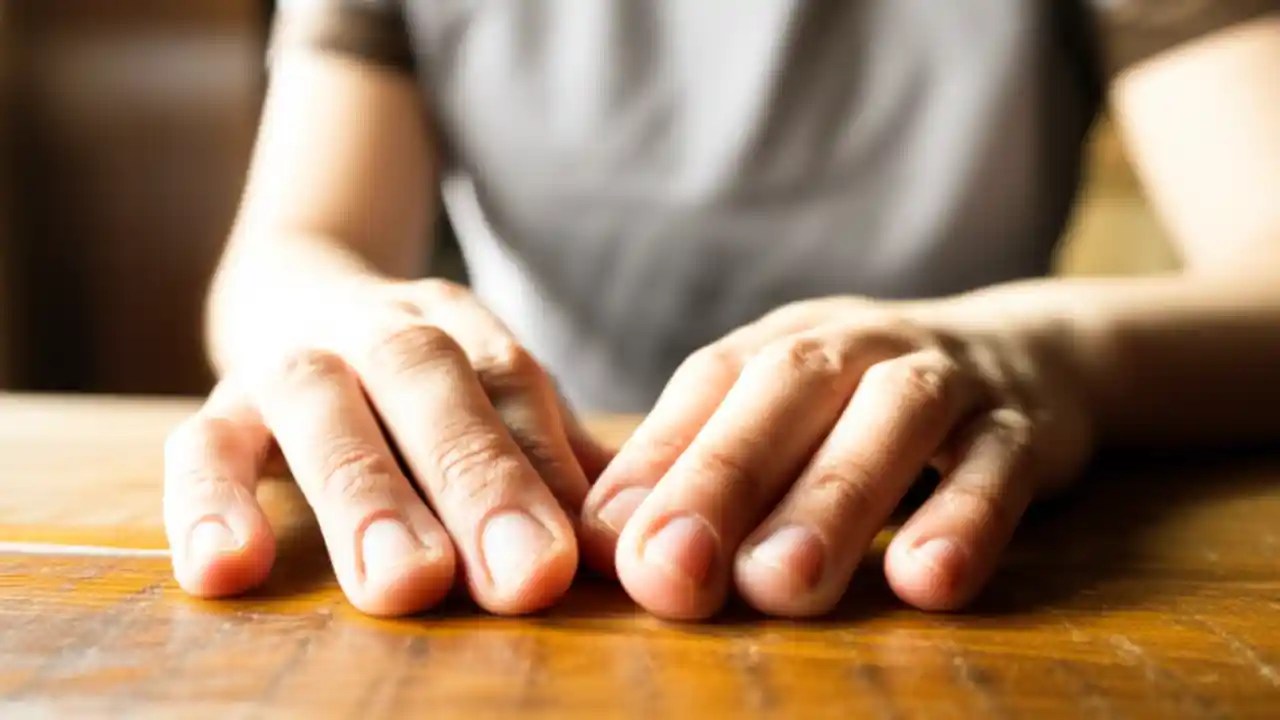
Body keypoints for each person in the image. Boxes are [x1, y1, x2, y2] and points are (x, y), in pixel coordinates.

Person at [162, 1, 1280, 620]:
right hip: (546, 510)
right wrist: (350, 332)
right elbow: (289, 248)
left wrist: (1028, 355)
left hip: (945, 514)